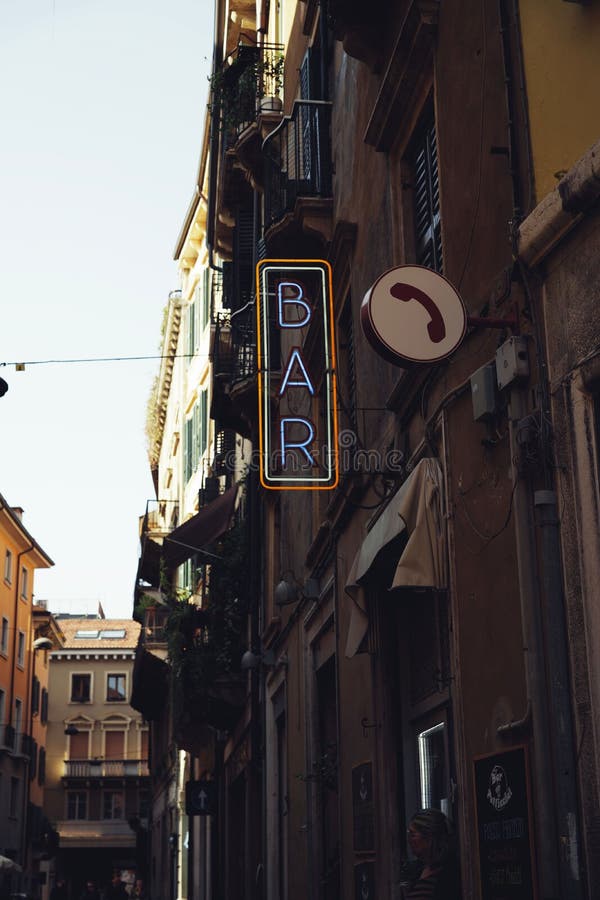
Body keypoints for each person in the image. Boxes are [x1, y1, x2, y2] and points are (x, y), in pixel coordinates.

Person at [402, 808, 461, 899]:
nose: (408, 840)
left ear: (429, 838)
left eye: (412, 835)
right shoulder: (418, 869)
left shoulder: (450, 874)